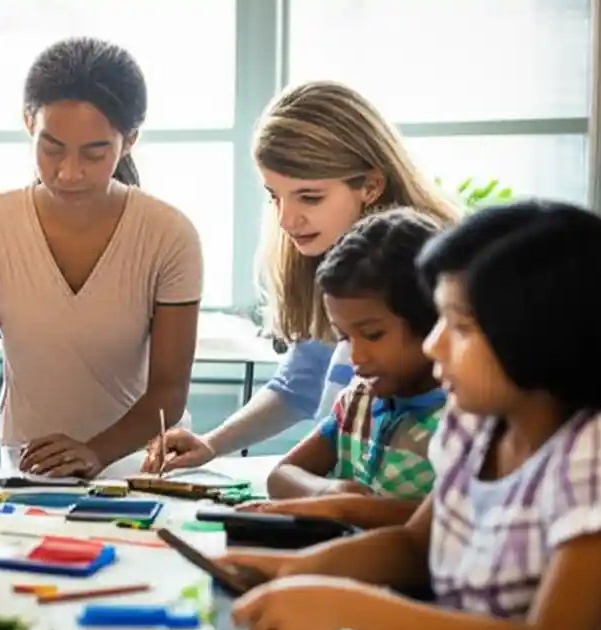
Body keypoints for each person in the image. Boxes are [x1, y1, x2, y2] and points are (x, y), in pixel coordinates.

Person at [222, 201, 601, 630]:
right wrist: (294, 570)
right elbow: (416, 547)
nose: (434, 345)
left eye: (458, 326)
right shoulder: (476, 424)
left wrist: (348, 606)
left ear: (538, 330)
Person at [0, 37, 203, 478]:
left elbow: (169, 393)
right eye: (52, 147)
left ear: (129, 141)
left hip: (136, 471)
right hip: (26, 470)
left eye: (94, 153)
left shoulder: (170, 236)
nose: (69, 171)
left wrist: (94, 453)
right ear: (28, 124)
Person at [144, 81, 459, 473]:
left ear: (371, 185)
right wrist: (211, 445)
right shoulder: (329, 262)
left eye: (310, 197)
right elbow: (299, 384)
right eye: (274, 195)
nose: (286, 219)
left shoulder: (440, 274)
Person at [245, 208, 444, 529]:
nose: (356, 357)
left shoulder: (461, 421)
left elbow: (455, 519)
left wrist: (354, 509)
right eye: (344, 337)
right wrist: (327, 491)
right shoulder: (357, 402)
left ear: (434, 320)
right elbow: (282, 475)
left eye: (373, 334)